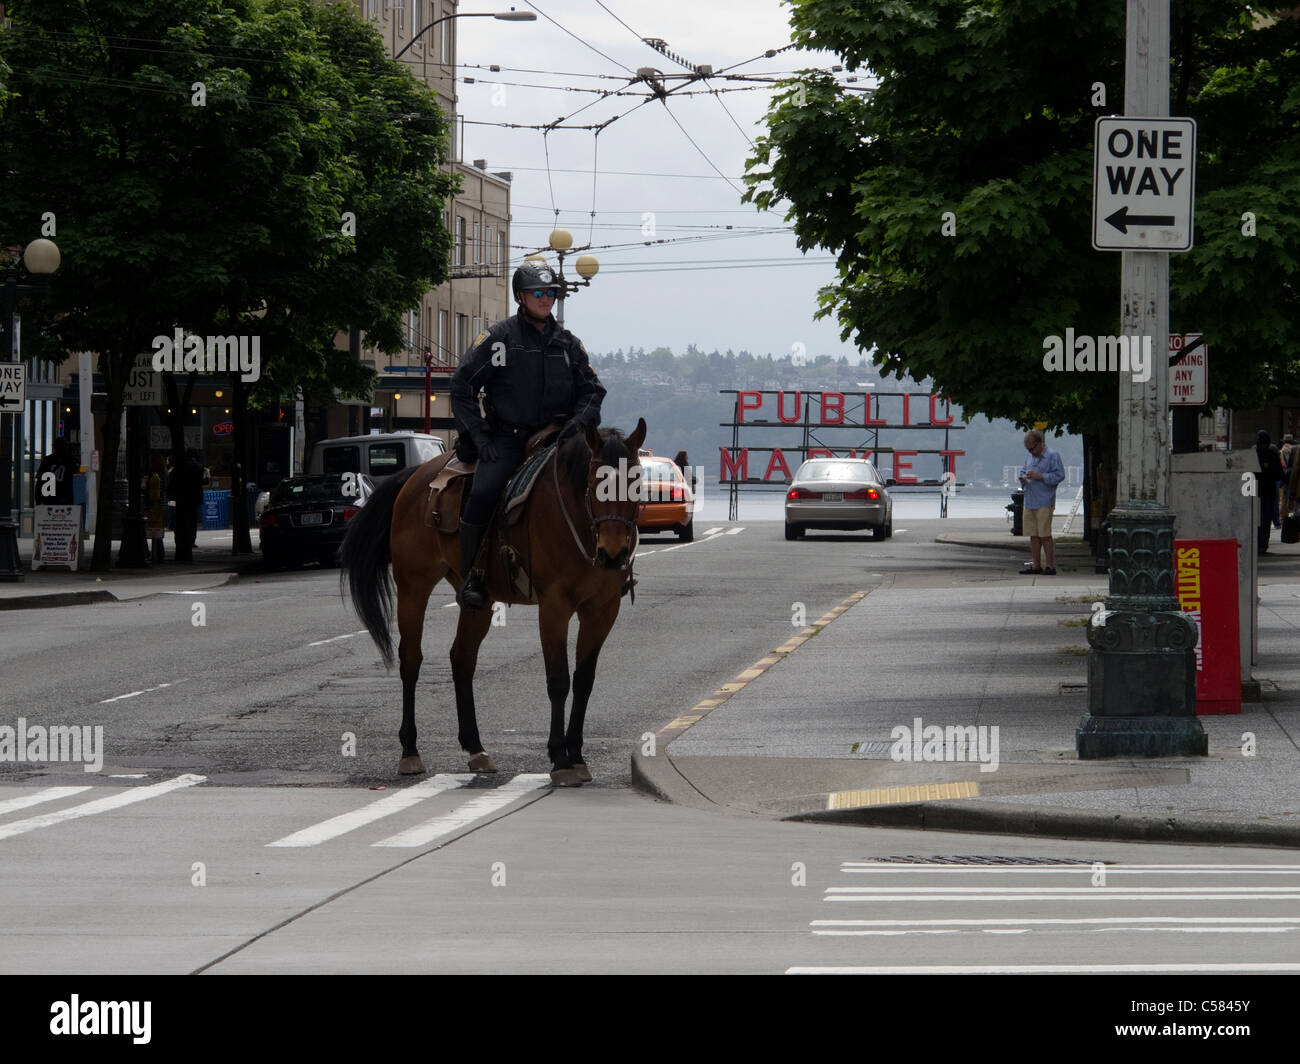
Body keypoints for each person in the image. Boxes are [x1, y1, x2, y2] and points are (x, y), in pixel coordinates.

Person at [449, 260, 606, 608]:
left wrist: (577, 424)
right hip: (507, 439)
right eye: (538, 292)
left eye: (551, 293)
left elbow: (593, 392)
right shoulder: (498, 339)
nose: (545, 299)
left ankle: (607, 568)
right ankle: (473, 575)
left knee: (598, 487)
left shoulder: (569, 344)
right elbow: (461, 387)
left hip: (559, 437)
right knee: (484, 491)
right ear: (520, 296)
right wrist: (480, 437)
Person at [1017, 429, 1065, 575]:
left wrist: (1041, 476)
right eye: (1028, 449)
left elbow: (1059, 475)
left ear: (1040, 444)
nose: (1031, 452)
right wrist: (1023, 478)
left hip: (1045, 499)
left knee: (1045, 534)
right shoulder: (1029, 457)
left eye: (1032, 449)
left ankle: (1050, 566)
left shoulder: (1052, 455)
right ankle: (1036, 565)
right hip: (1030, 499)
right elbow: (1023, 471)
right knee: (1033, 534)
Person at [1255, 429, 1286, 555]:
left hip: (1254, 492)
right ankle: (1263, 544)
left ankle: (1257, 543)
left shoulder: (1253, 454)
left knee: (1256, 520)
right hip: (1268, 492)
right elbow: (1279, 474)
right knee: (1266, 520)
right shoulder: (1272, 455)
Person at [145, 454, 166, 563]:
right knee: (157, 531)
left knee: (154, 530)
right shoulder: (163, 475)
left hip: (155, 506)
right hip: (161, 505)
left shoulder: (155, 477)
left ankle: (157, 554)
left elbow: (154, 494)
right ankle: (159, 553)